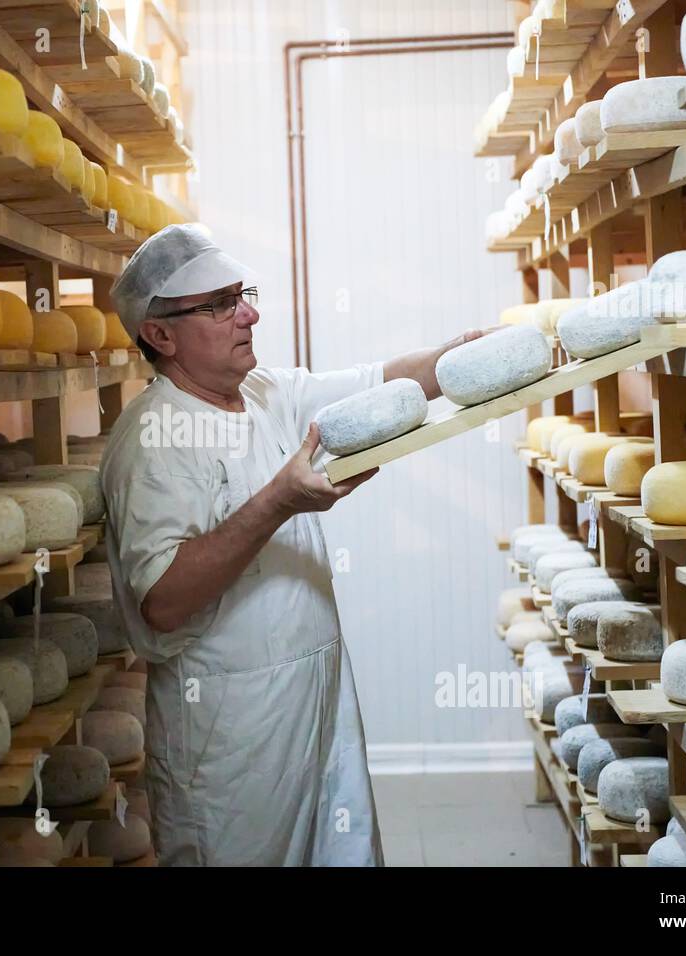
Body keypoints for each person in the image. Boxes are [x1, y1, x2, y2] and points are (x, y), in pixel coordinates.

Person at [99, 224, 483, 865]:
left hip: (314, 701)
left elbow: (379, 382)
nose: (249, 313)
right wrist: (279, 500)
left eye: (241, 294)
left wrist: (463, 353)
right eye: (219, 305)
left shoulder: (261, 393)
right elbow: (161, 602)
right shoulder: (153, 439)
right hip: (229, 735)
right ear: (160, 335)